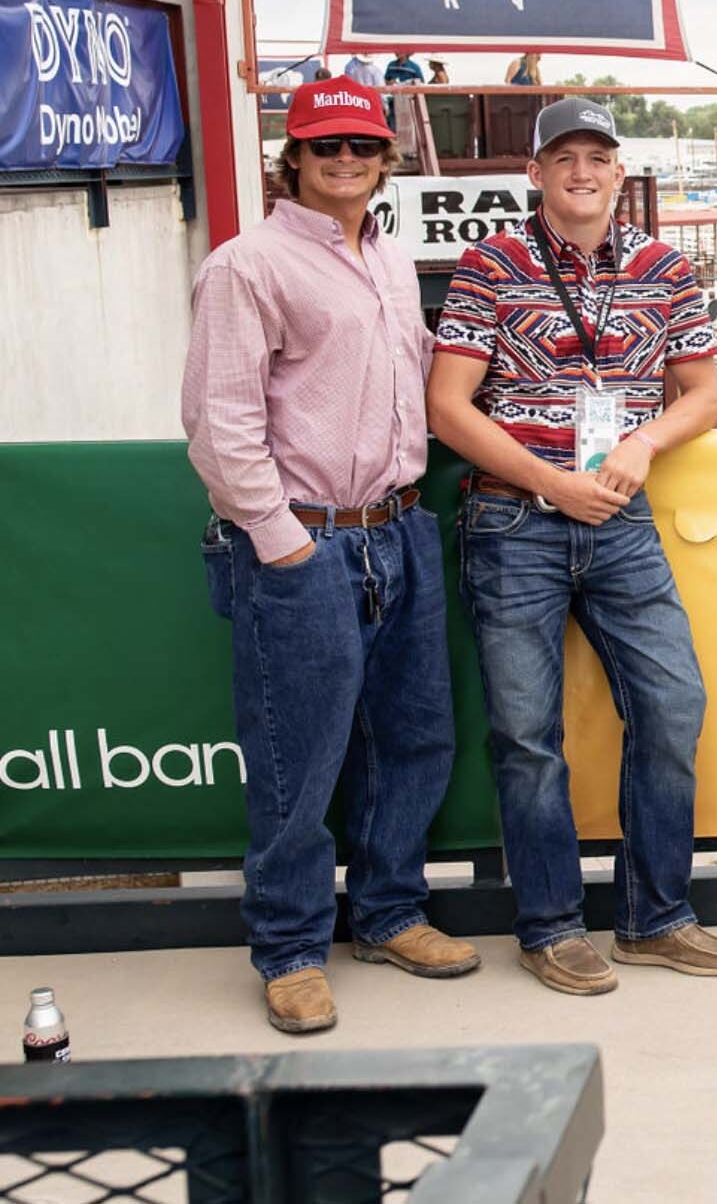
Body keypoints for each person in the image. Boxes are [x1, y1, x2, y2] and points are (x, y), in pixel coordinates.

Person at [181, 76, 480, 1035]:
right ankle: (292, 948)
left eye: (361, 146)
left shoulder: (391, 260)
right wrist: (283, 545)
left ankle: (389, 911)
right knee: (296, 762)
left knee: (413, 736)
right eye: (325, 148)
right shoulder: (248, 265)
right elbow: (220, 423)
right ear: (294, 160)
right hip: (303, 539)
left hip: (398, 526)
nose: (344, 161)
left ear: (385, 159)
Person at [426, 96, 717, 995]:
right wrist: (546, 479)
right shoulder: (490, 266)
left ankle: (654, 917)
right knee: (528, 736)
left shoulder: (663, 269)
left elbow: (702, 394)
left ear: (617, 171)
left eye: (598, 156)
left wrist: (642, 442)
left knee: (673, 707)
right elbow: (448, 407)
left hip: (619, 516)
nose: (582, 171)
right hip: (513, 521)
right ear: (536, 174)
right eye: (563, 157)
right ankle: (550, 926)